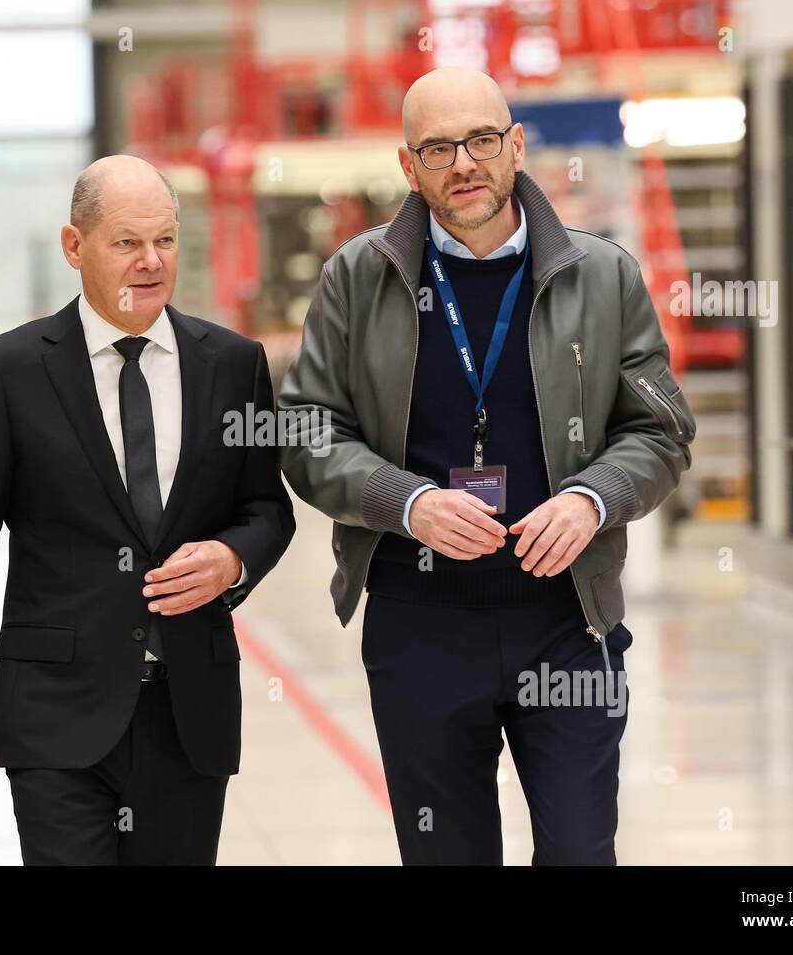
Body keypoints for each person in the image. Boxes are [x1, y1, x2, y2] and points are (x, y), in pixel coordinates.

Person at [279, 68, 695, 865]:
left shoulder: (601, 275)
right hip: (418, 622)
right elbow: (304, 433)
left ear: (517, 145)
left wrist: (591, 499)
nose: (464, 163)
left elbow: (661, 430)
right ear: (409, 167)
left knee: (580, 853)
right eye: (438, 148)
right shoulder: (357, 278)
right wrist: (406, 502)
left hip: (567, 618)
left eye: (481, 140)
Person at [0, 154, 294, 865]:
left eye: (165, 240)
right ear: (74, 245)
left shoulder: (232, 365)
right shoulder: (10, 371)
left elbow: (267, 509)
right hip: (55, 711)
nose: (151, 261)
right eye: (127, 242)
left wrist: (233, 556)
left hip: (189, 711)